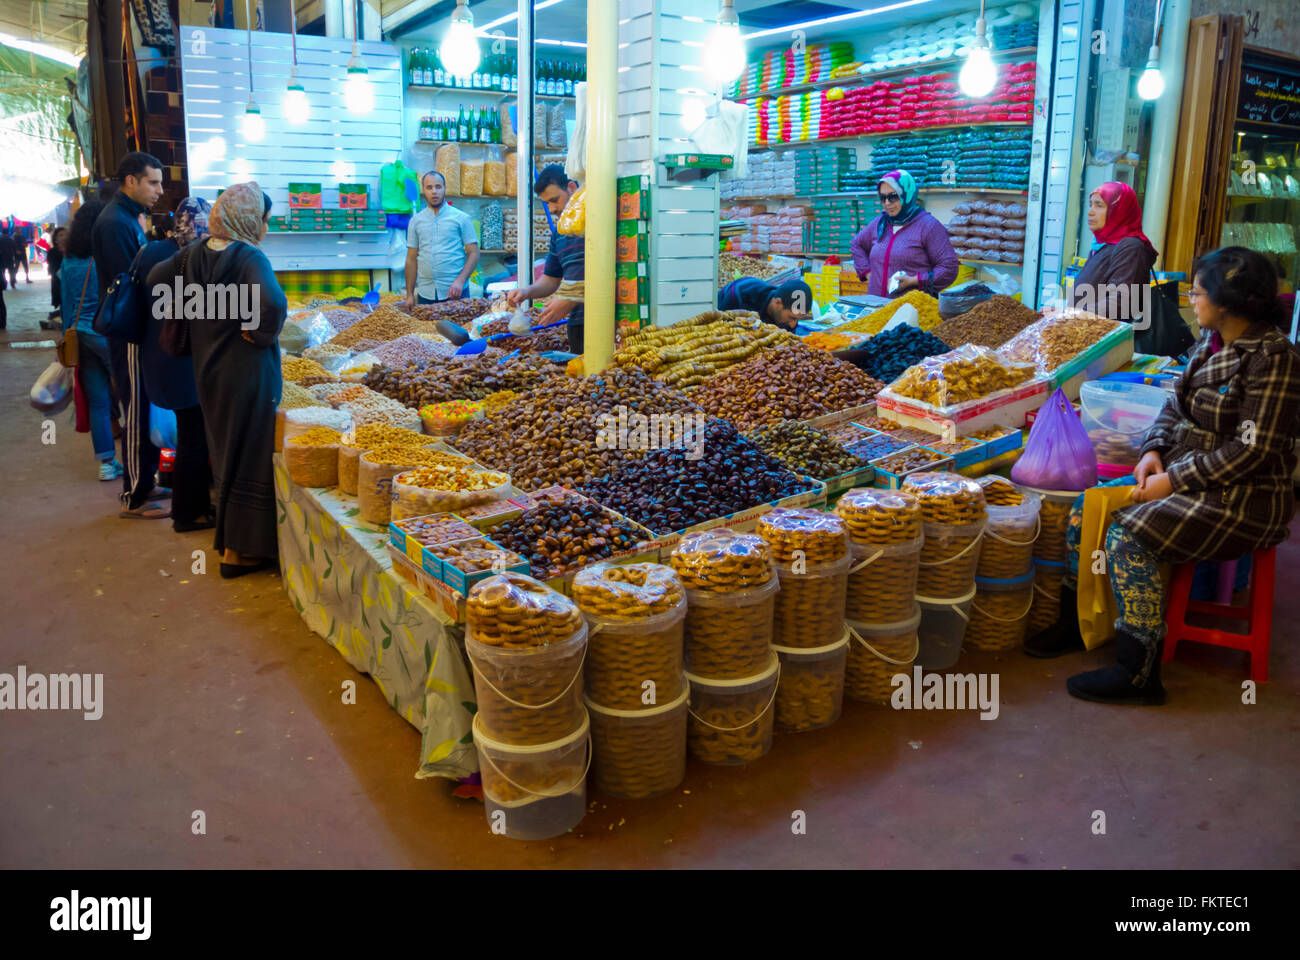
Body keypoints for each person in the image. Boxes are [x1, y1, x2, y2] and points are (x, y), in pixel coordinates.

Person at [1025, 247, 1300, 706]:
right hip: (1186, 473)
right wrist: (1153, 449)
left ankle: (1139, 670)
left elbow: (1254, 451)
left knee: (1129, 534)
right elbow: (1173, 403)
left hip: (1245, 496)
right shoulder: (1210, 343)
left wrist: (1173, 481)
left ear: (1229, 300)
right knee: (1085, 507)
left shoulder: (1273, 358)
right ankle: (1077, 623)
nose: (1190, 297)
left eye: (1198, 290)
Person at [148, 182, 287, 578]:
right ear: (248, 218)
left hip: (207, 371)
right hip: (247, 372)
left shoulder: (192, 253)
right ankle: (240, 554)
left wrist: (202, 308)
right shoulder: (247, 256)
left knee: (226, 453)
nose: (265, 227)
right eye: (264, 219)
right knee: (250, 455)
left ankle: (230, 546)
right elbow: (274, 304)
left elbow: (155, 281)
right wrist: (258, 332)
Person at [92, 151, 167, 517]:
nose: (159, 190)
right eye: (152, 182)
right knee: (136, 410)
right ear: (130, 181)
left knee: (144, 405)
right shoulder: (116, 223)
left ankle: (147, 481)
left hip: (138, 331)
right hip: (130, 334)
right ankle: (135, 496)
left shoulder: (126, 218)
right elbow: (133, 283)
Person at [138, 197, 215, 533]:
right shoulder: (189, 259)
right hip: (181, 360)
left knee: (189, 435)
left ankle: (194, 506)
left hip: (156, 357)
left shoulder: (151, 252)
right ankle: (187, 514)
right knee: (193, 437)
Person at [60, 201, 123, 481]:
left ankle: (107, 464)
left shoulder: (69, 258)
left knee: (98, 402)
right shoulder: (105, 257)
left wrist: (67, 337)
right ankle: (145, 462)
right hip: (106, 335)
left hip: (79, 335)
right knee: (133, 398)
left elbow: (65, 305)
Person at [507, 165, 585, 353]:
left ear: (572, 188)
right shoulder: (559, 233)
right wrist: (527, 292)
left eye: (554, 200)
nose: (552, 209)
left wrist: (569, 300)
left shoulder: (598, 222)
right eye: (546, 203)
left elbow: (608, 272)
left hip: (607, 323)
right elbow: (551, 279)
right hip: (576, 325)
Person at [850, 170, 959, 299]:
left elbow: (949, 267)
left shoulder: (928, 226)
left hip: (912, 309)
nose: (887, 203)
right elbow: (857, 244)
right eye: (883, 198)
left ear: (907, 194)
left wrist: (914, 280)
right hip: (877, 306)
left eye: (893, 196)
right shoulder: (880, 223)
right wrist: (868, 274)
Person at [1070, 181, 1158, 322]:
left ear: (1119, 210)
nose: (1090, 212)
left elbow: (1118, 303)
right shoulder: (1102, 244)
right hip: (1089, 331)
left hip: (1111, 339)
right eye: (1091, 204)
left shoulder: (1131, 248)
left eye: (1099, 206)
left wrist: (1068, 315)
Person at [401, 171, 479, 310]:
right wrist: (410, 295)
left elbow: (474, 253)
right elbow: (411, 259)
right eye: (429, 187)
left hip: (455, 291)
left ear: (445, 188)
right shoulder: (416, 221)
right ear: (423, 190)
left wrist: (460, 281)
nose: (434, 192)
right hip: (426, 293)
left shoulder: (461, 218)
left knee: (457, 331)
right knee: (428, 331)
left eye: (438, 187)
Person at [717, 277, 814, 332]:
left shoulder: (788, 314)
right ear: (778, 302)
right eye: (792, 318)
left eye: (798, 319)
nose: (793, 325)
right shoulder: (739, 297)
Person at [45, 226, 67, 327]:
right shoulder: (52, 252)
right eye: (60, 235)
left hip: (71, 285)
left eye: (65, 234)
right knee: (63, 305)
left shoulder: (74, 251)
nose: (63, 237)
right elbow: (54, 269)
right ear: (56, 239)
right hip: (59, 284)